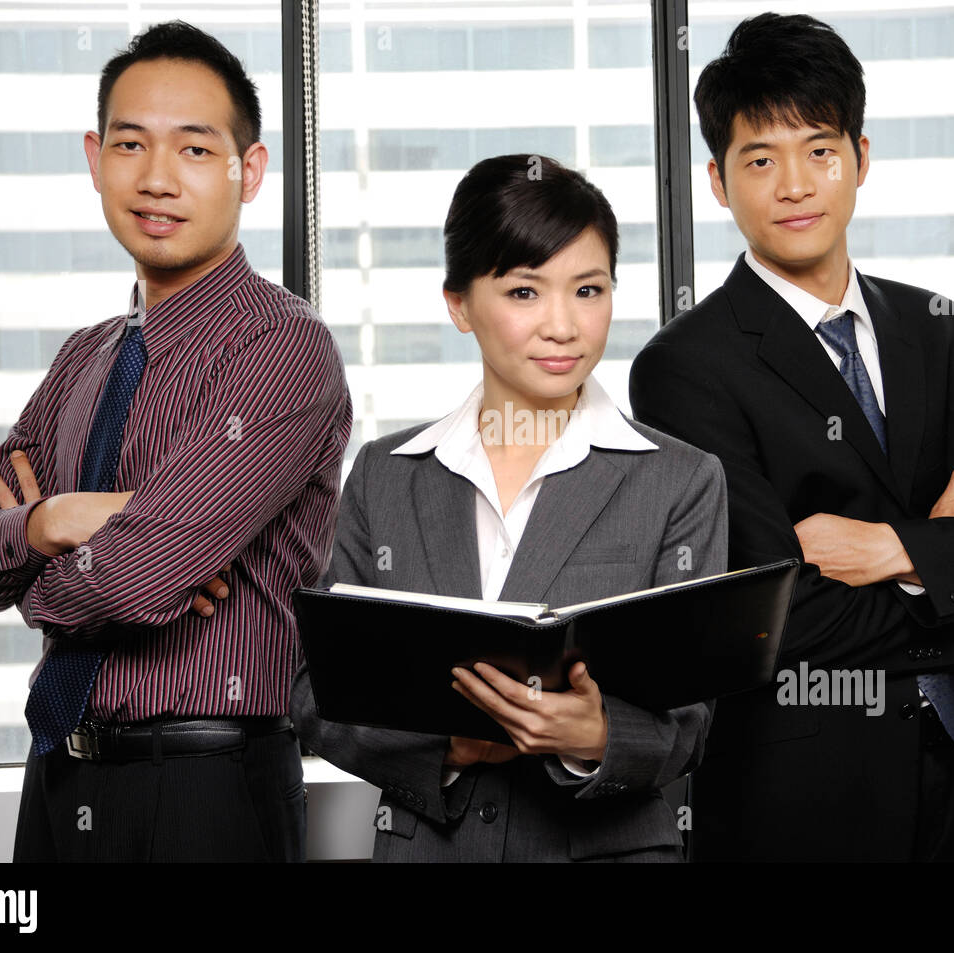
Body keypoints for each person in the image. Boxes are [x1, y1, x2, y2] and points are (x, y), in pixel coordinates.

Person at [629, 13, 954, 862]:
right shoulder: (684, 367)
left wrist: (894, 548)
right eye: (760, 160)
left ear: (861, 159)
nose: (795, 184)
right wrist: (947, 555)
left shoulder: (939, 330)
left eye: (820, 150)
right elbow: (770, 621)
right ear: (719, 183)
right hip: (799, 801)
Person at [0, 21, 352, 861]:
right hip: (55, 775)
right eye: (130, 144)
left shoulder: (283, 348)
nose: (157, 178)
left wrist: (63, 564)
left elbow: (130, 580)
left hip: (204, 784)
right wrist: (51, 523)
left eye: (195, 150)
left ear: (249, 170)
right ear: (95, 158)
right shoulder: (85, 357)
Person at [290, 154, 728, 862]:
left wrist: (594, 736)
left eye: (588, 289)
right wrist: (449, 746)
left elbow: (693, 721)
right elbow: (314, 693)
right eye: (525, 292)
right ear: (459, 305)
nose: (563, 325)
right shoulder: (385, 475)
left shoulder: (681, 479)